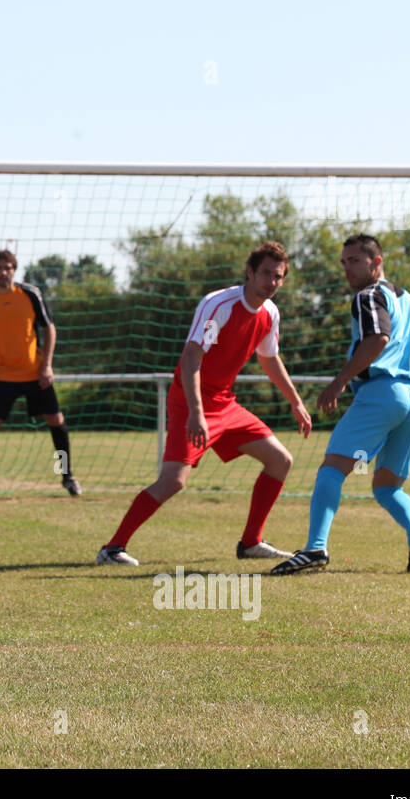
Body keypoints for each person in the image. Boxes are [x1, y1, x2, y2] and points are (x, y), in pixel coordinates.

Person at [97, 241, 312, 566]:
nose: (272, 282)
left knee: (281, 460)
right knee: (174, 481)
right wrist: (197, 413)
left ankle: (251, 543)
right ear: (250, 272)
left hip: (225, 404)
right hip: (190, 401)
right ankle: (112, 549)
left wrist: (295, 402)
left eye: (278, 276)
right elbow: (192, 356)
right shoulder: (220, 304)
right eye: (266, 273)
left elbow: (269, 359)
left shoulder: (270, 313)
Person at [271, 234, 410, 575]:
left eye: (355, 261)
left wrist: (340, 380)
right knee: (388, 487)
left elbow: (379, 338)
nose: (348, 269)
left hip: (383, 392)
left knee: (332, 468)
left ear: (377, 261)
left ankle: (315, 548)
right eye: (344, 262)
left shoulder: (368, 296)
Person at [0, 250, 81, 499]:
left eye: (7, 267)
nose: (3, 272)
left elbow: (50, 329)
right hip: (1, 375)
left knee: (56, 421)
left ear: (14, 270)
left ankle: (67, 476)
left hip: (34, 373)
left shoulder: (30, 294)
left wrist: (47, 365)